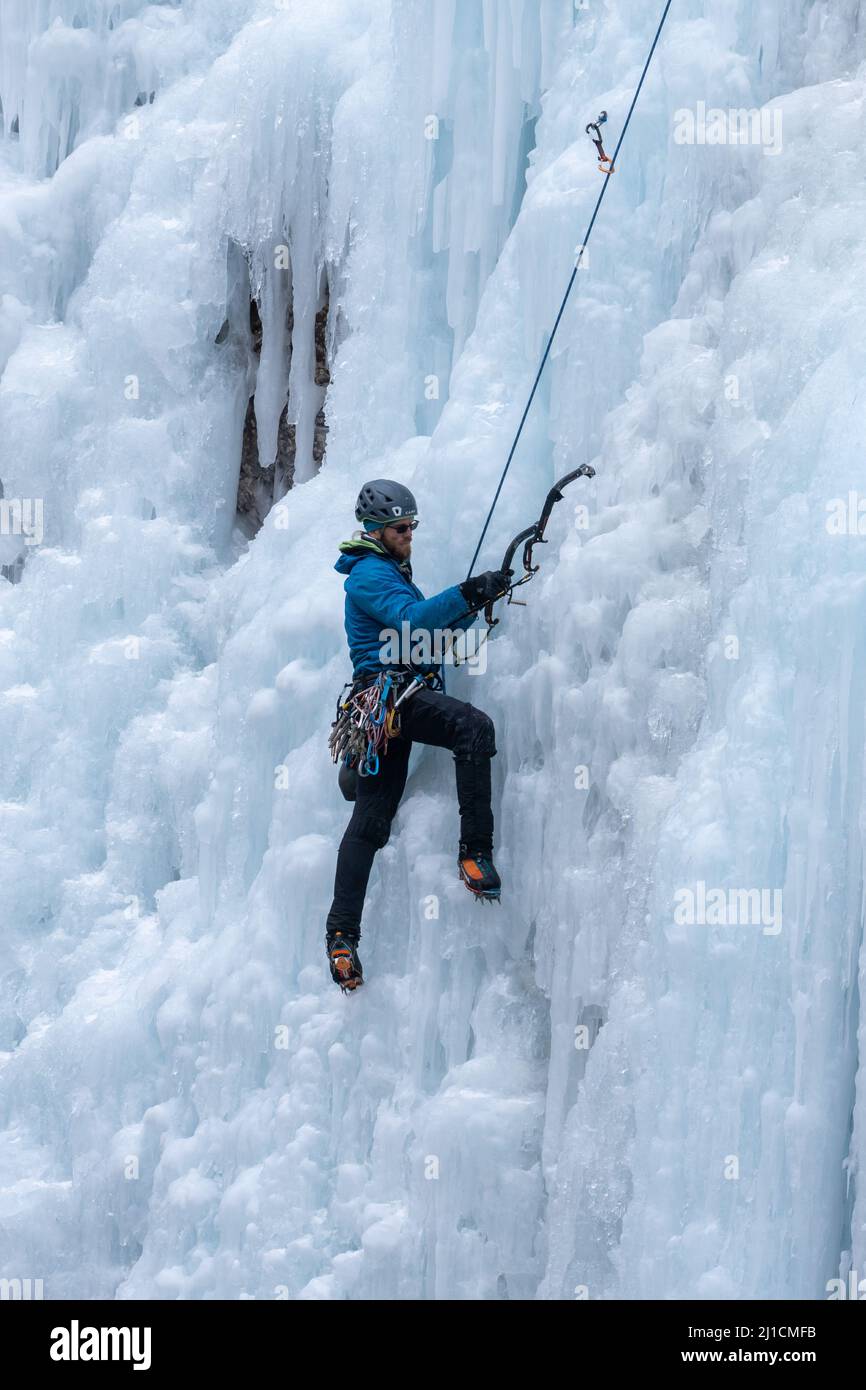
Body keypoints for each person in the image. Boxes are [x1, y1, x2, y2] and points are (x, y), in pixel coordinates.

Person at [325, 479, 512, 991]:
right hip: (390, 695)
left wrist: (475, 603)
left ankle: (341, 939)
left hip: (385, 705)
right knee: (472, 728)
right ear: (376, 530)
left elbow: (426, 634)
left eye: (412, 526)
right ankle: (475, 852)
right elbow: (410, 623)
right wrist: (468, 591)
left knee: (371, 820)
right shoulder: (367, 574)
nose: (410, 535)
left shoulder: (390, 575)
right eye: (401, 528)